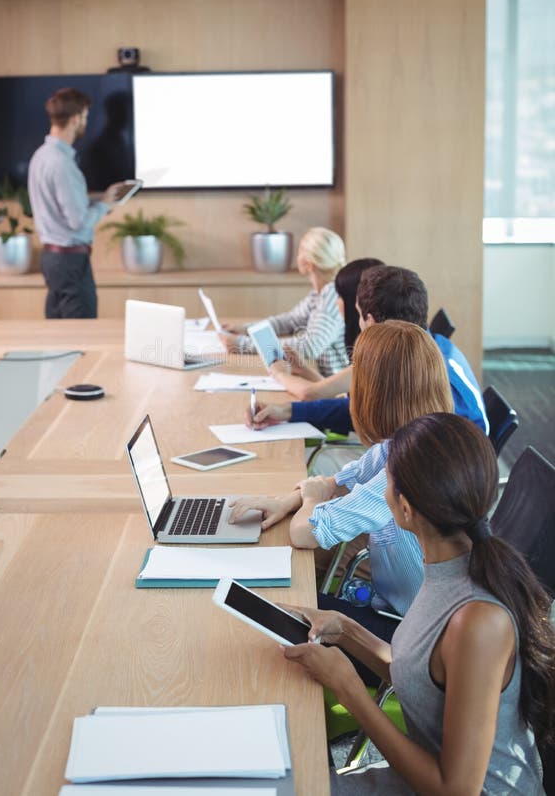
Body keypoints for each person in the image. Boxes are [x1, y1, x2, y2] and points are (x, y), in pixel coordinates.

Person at [281, 414, 553, 795]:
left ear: (405, 508)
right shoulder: (447, 565)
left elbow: (455, 789)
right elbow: (424, 677)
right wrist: (346, 630)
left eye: (385, 480)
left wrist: (349, 690)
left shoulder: (477, 620)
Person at [229, 321, 454, 681]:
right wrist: (290, 500)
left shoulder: (403, 470)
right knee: (273, 593)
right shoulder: (410, 442)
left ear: (372, 393)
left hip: (412, 643)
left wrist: (308, 502)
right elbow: (334, 481)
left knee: (268, 616)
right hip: (416, 617)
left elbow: (304, 533)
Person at [250, 264, 489, 435]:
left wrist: (291, 409)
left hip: (443, 486)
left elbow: (359, 418)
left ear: (371, 321)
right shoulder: (431, 346)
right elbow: (358, 410)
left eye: (359, 315)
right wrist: (289, 411)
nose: (359, 324)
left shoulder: (407, 371)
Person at [28, 87, 126, 318]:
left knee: (58, 335)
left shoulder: (40, 156)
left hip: (54, 259)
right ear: (74, 119)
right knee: (82, 336)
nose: (85, 123)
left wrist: (101, 200)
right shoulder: (61, 163)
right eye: (85, 118)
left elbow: (61, 205)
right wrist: (105, 206)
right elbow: (78, 221)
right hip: (70, 261)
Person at [218, 227, 348, 377]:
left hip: (333, 391)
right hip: (321, 380)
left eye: (300, 252)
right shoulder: (320, 294)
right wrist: (246, 329)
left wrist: (244, 345)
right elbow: (290, 320)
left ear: (309, 264)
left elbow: (310, 346)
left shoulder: (332, 296)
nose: (297, 257)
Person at [264, 257, 384, 401]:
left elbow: (309, 393)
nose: (335, 302)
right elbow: (343, 398)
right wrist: (304, 370)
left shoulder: (374, 353)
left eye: (340, 296)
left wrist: (280, 375)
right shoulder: (370, 343)